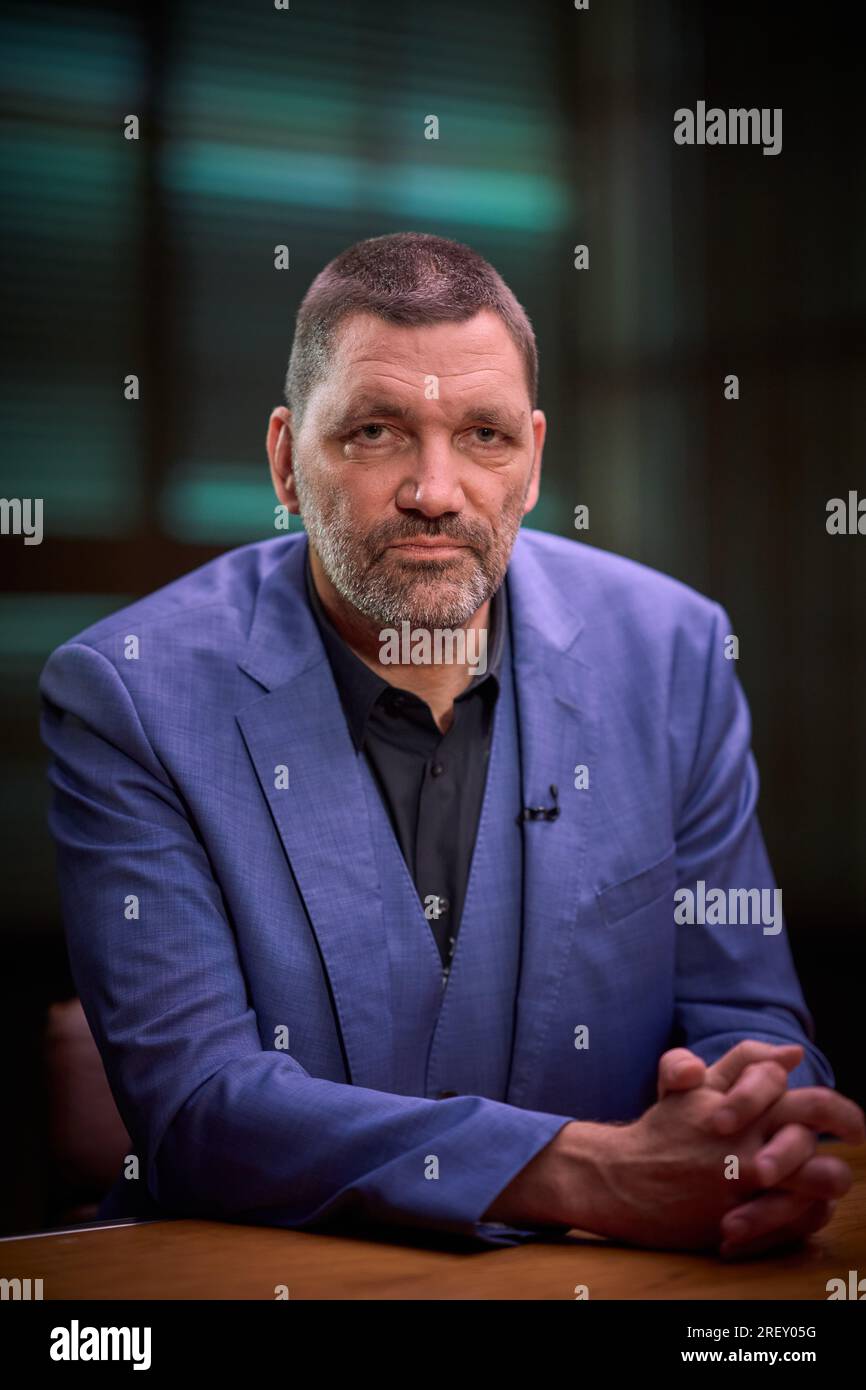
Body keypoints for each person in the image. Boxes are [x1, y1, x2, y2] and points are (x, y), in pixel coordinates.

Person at [39, 232, 864, 1259]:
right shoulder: (125, 692)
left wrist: (755, 1130)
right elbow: (200, 1109)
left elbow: (751, 1029)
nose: (434, 489)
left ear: (530, 462)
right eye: (377, 431)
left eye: (481, 435)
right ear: (285, 462)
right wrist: (603, 1174)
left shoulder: (671, 654)